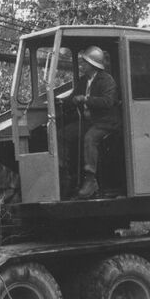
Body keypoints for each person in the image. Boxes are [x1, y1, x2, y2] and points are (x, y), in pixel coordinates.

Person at [57, 46, 121, 199]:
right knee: (62, 135)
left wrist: (86, 99)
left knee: (90, 138)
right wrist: (60, 102)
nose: (82, 65)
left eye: (84, 62)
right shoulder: (84, 81)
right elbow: (73, 97)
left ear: (93, 64)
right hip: (90, 122)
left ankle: (91, 180)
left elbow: (108, 101)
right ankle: (64, 176)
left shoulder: (106, 80)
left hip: (106, 123)